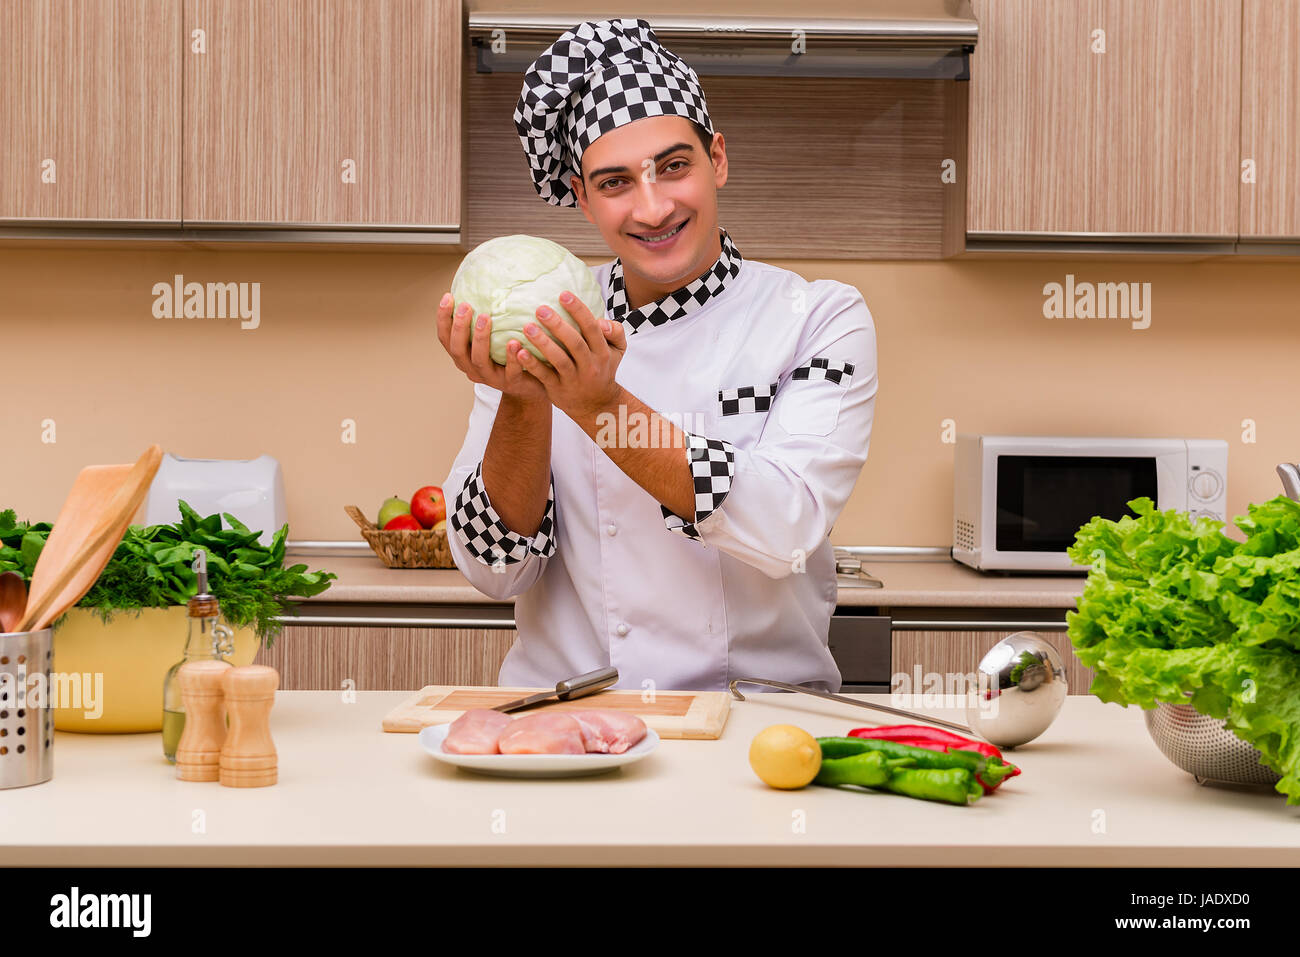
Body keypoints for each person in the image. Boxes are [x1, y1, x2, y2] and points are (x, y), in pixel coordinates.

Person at [437, 18, 878, 693]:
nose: (652, 207)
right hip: (572, 720)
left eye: (673, 167)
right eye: (614, 183)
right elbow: (496, 570)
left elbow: (786, 521)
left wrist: (601, 408)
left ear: (718, 159)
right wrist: (525, 400)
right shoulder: (545, 319)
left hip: (753, 725)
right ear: (583, 198)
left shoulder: (817, 318)